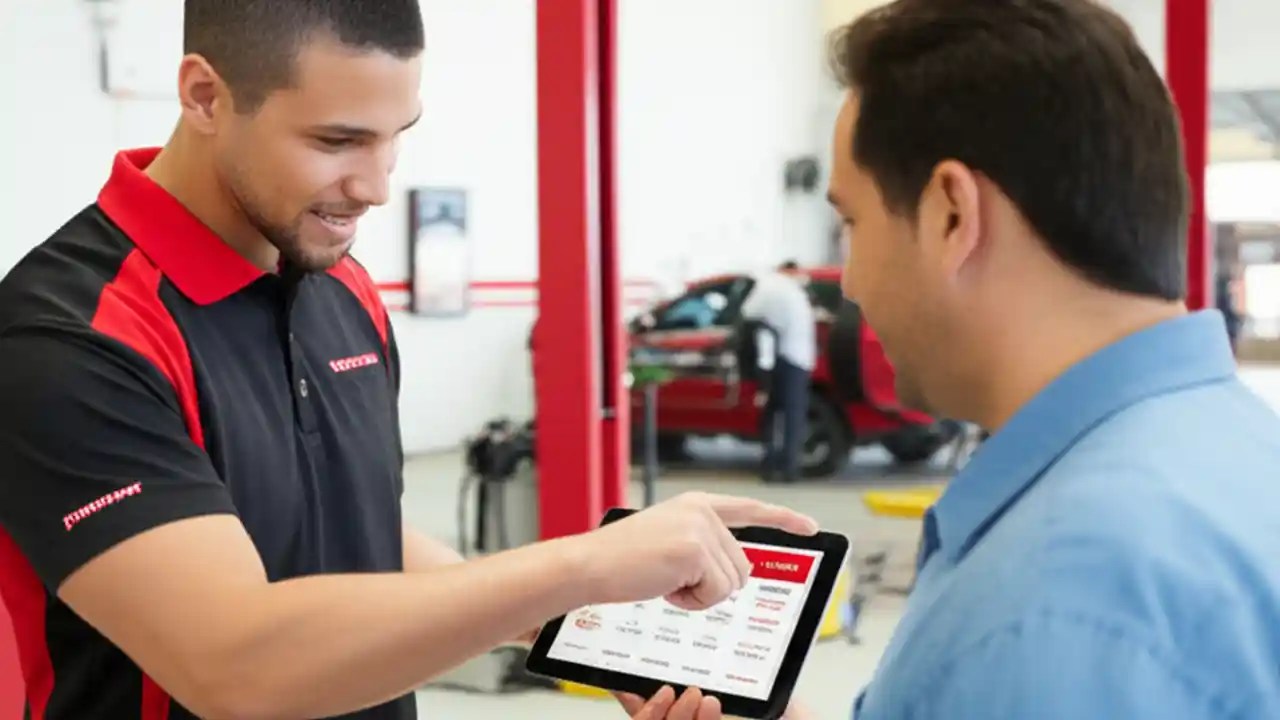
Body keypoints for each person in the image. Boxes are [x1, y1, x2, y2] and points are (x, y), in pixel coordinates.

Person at [0, 2, 821, 719]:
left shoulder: (342, 290)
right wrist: (582, 565)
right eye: (337, 141)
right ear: (205, 96)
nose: (376, 186)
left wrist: (599, 630)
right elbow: (234, 664)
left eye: (395, 138)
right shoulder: (69, 337)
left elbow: (359, 532)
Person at [625, 0, 1280, 718]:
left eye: (853, 224)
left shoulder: (1049, 603)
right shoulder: (1236, 450)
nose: (850, 282)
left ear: (952, 215)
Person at [740, 260, 817, 482]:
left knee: (774, 414)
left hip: (778, 358)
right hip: (794, 359)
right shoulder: (783, 288)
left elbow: (748, 313)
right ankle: (789, 467)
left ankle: (773, 465)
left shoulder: (773, 287)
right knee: (792, 415)